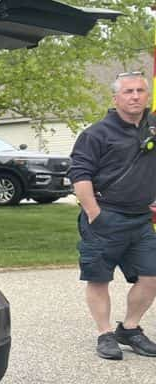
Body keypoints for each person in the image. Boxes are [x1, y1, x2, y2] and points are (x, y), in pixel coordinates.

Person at [70, 71, 156, 360]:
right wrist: (94, 213)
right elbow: (80, 175)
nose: (135, 96)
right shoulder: (96, 134)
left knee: (151, 276)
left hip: (140, 219)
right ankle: (105, 333)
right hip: (105, 218)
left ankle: (129, 329)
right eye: (128, 91)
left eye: (140, 91)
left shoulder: (153, 129)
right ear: (115, 98)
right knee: (99, 278)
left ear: (148, 95)